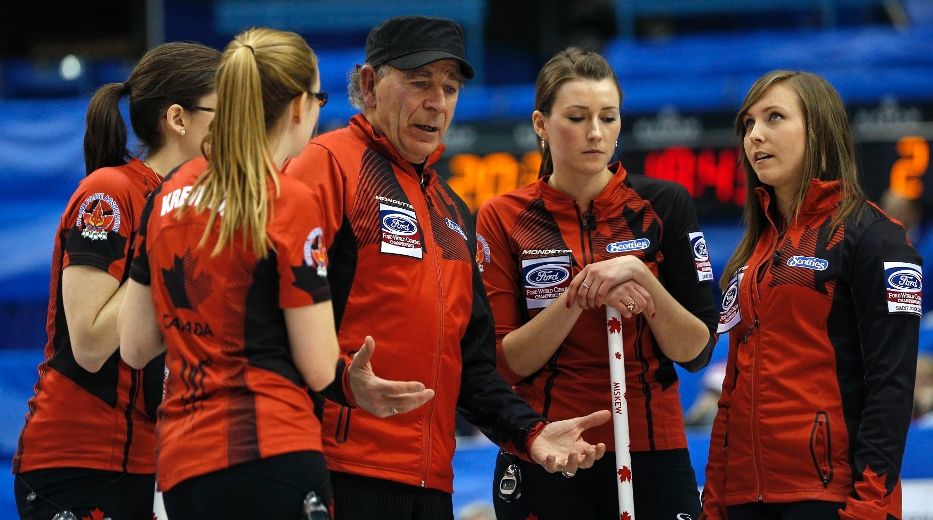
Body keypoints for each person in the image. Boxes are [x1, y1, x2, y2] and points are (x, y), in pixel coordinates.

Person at [285, 16, 610, 520]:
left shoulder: (453, 212)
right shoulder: (325, 167)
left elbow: (473, 366)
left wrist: (531, 433)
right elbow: (271, 315)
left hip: (432, 484)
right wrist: (343, 380)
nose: (437, 102)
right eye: (419, 83)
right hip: (337, 471)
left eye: (450, 87)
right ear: (368, 85)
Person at [475, 47, 718, 520]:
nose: (595, 133)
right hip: (547, 449)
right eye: (576, 117)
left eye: (609, 117)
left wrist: (640, 279)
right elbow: (504, 363)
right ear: (541, 124)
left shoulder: (664, 204)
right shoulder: (502, 217)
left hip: (651, 449)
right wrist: (577, 296)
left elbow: (698, 351)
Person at [118, 27, 342, 519]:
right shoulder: (289, 199)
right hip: (272, 450)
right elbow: (320, 365)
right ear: (300, 106)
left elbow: (134, 345)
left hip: (182, 467)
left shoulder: (168, 193)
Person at [12, 42, 220, 520]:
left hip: (160, 463)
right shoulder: (110, 191)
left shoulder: (198, 209)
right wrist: (166, 242)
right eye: (225, 111)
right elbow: (88, 343)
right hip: (79, 462)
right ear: (178, 118)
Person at [702, 70, 921, 520]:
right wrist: (716, 501)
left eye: (774, 117)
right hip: (744, 498)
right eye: (748, 124)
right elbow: (732, 387)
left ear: (819, 131)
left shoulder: (875, 239)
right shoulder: (753, 250)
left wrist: (870, 507)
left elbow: (892, 386)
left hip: (830, 498)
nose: (755, 135)